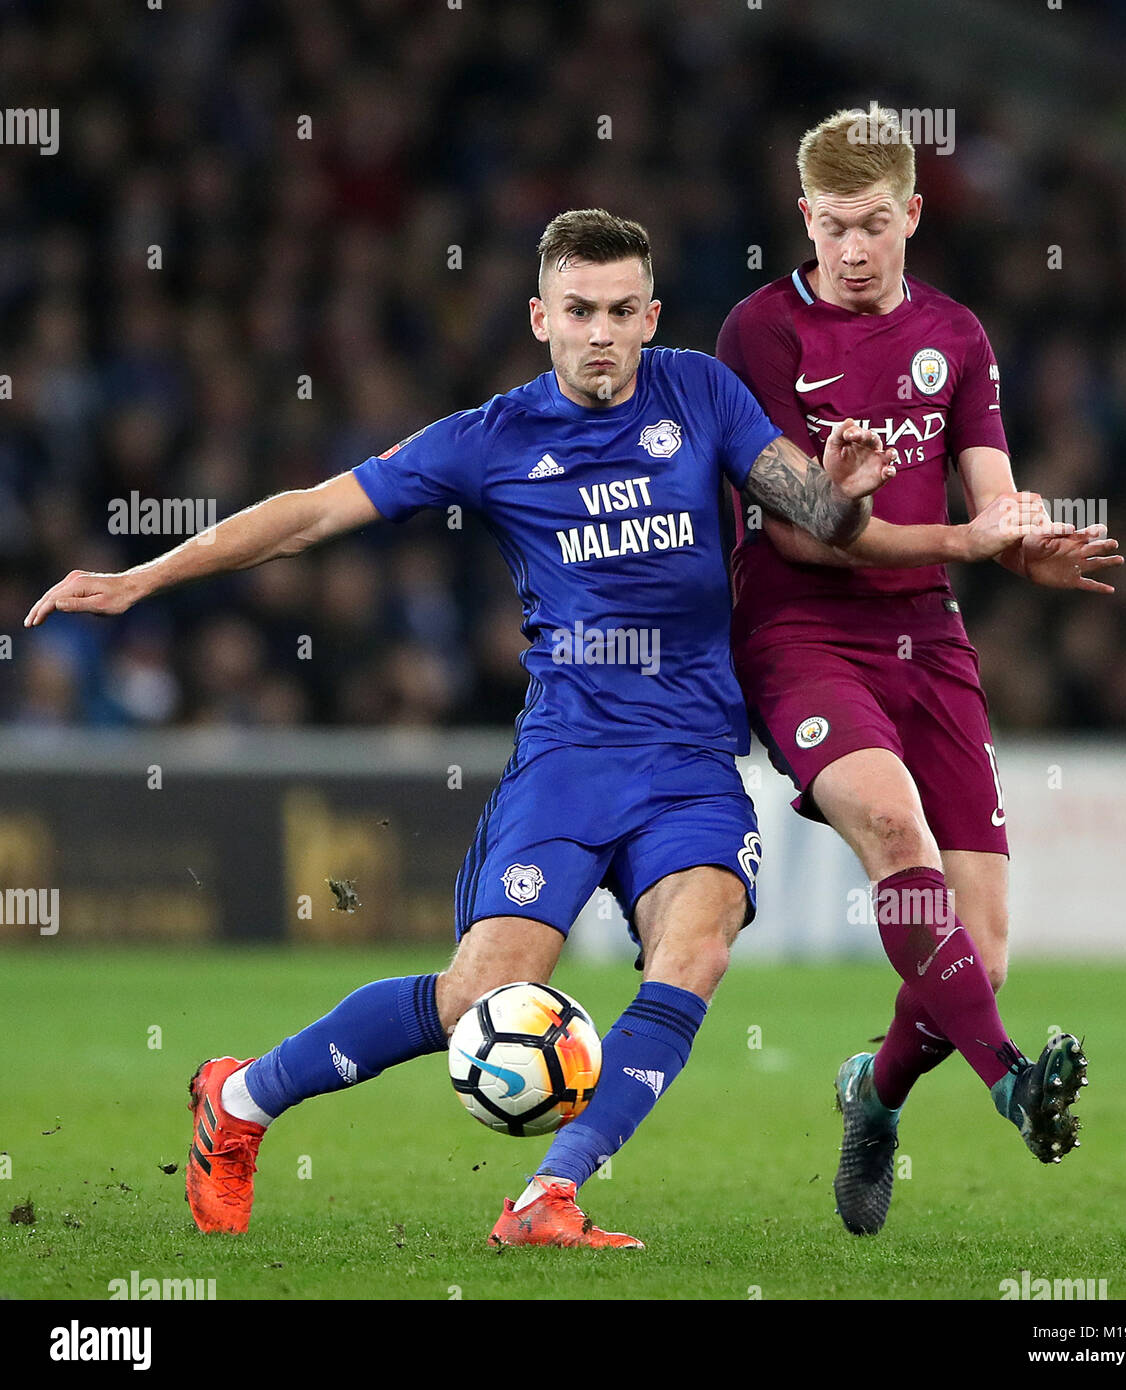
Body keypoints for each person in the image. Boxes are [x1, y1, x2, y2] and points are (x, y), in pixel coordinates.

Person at [27, 208, 900, 1249]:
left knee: (697, 950)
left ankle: (550, 1192)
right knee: (483, 990)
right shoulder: (491, 439)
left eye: (623, 311)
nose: (603, 333)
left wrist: (841, 496)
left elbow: (809, 510)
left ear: (652, 314)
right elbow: (309, 512)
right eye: (580, 311)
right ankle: (242, 1098)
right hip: (568, 761)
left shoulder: (701, 390)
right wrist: (145, 576)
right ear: (541, 316)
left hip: (691, 762)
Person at [716, 108, 1120, 1236]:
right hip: (800, 638)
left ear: (913, 215)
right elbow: (803, 533)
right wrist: (955, 536)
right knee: (896, 834)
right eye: (834, 226)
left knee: (980, 948)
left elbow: (992, 496)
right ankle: (1011, 1085)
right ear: (805, 217)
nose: (852, 250)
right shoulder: (758, 333)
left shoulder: (957, 334)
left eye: (875, 225)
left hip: (927, 643)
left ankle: (873, 1092)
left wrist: (1023, 538)